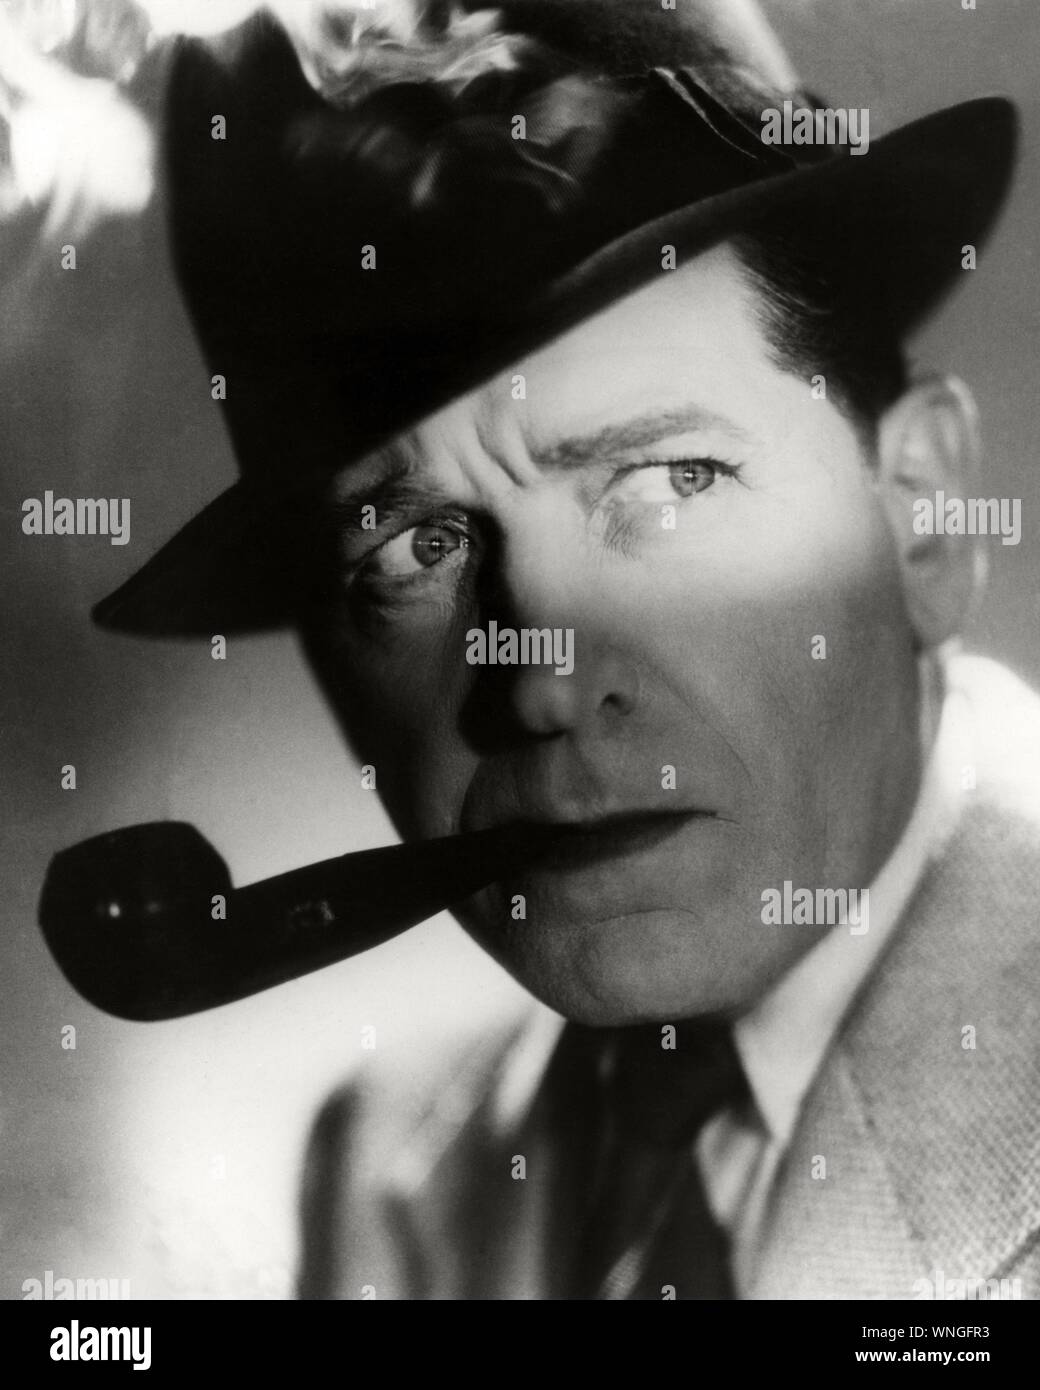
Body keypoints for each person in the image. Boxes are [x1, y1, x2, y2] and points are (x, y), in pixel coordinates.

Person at [92, 1, 1038, 1299]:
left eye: (668, 481)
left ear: (922, 516)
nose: (537, 681)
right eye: (414, 549)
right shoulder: (388, 1175)